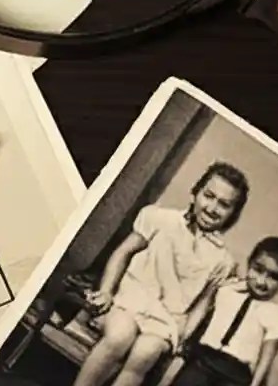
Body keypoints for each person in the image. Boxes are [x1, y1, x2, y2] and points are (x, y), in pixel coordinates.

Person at [72, 161, 251, 386]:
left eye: (224, 205)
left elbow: (203, 303)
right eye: (209, 196)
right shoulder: (160, 218)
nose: (212, 208)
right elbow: (123, 252)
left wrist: (184, 337)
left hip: (167, 321)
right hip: (131, 301)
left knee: (144, 354)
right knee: (119, 337)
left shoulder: (223, 260)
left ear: (233, 214)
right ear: (196, 193)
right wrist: (106, 291)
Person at [175, 236, 278, 386]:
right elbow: (202, 309)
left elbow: (267, 357)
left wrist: (255, 384)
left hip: (235, 376)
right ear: (249, 263)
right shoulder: (227, 289)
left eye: (274, 277)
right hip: (202, 361)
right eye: (258, 269)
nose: (262, 281)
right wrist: (183, 340)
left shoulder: (277, 316)